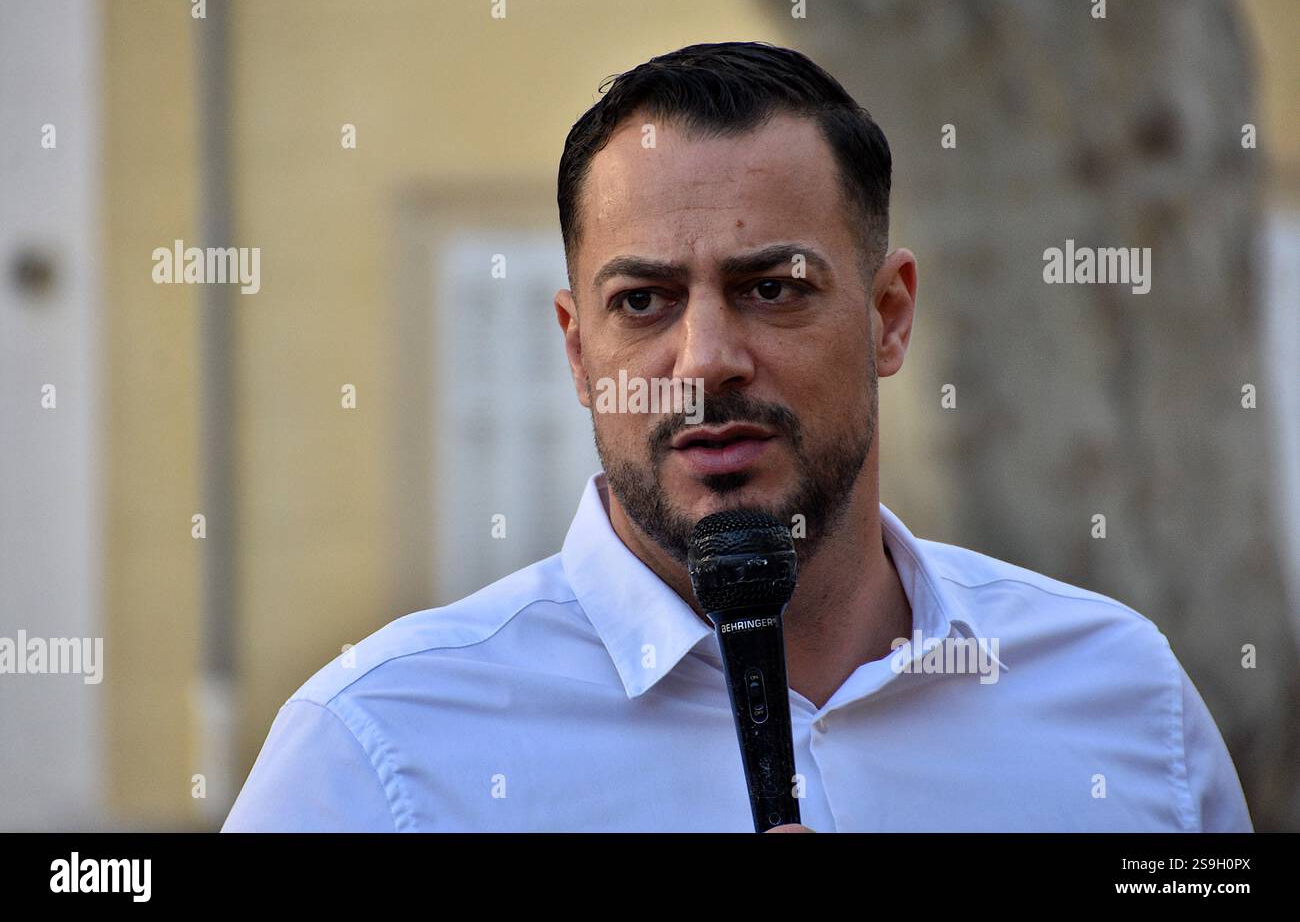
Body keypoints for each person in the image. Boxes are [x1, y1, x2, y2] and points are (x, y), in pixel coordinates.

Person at [222, 41, 1252, 832]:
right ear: (576, 351)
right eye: (643, 300)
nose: (705, 357)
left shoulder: (1123, 701)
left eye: (773, 288)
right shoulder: (381, 748)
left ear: (889, 316)